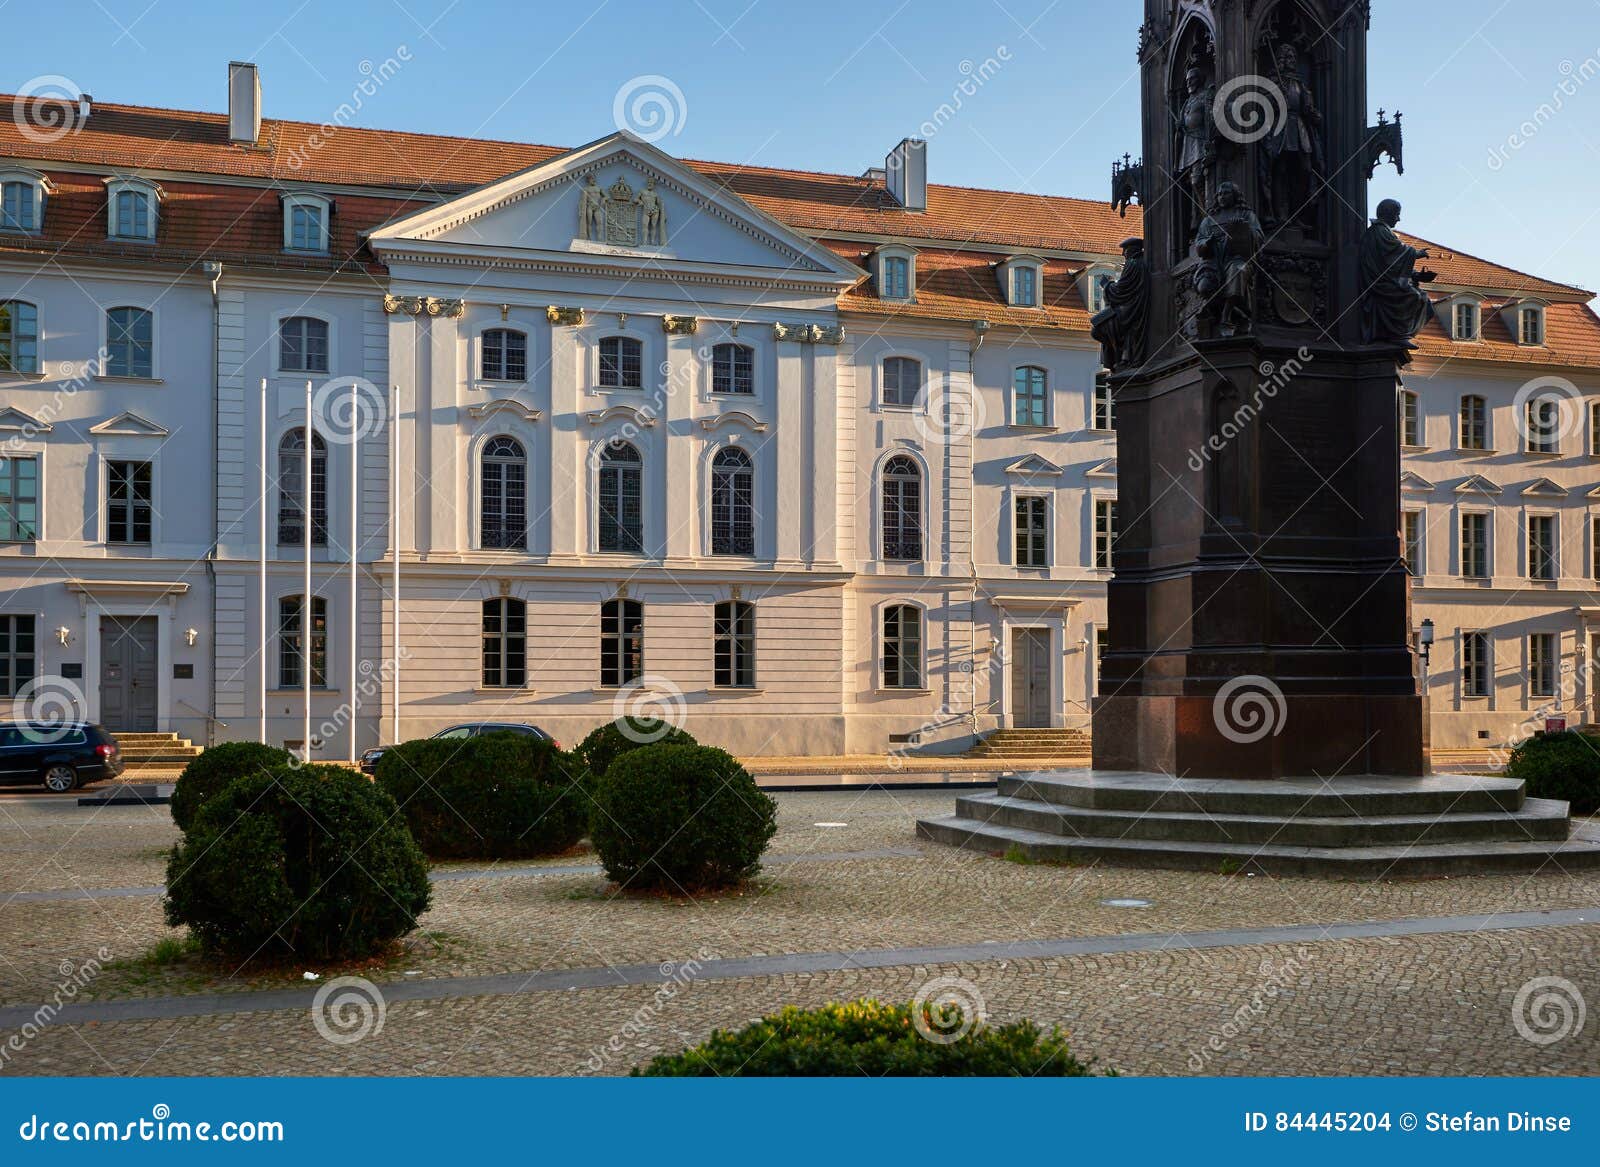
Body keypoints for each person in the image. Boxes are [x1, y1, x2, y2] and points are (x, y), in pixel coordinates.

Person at [1359, 199, 1437, 346]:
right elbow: (1395, 253)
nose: (1399, 219)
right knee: (1413, 296)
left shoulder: (1382, 231)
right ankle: (1398, 334)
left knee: (1424, 299)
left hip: (1383, 278)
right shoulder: (1379, 231)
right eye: (1397, 215)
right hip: (1377, 282)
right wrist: (1415, 253)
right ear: (1388, 213)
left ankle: (1400, 333)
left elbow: (1390, 263)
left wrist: (1415, 275)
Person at [1089, 237, 1150, 371]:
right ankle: (1121, 356)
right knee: (1101, 328)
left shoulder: (1133, 264)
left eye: (1125, 251)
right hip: (1131, 307)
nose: (1123, 254)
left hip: (1129, 310)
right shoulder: (1139, 263)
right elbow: (1124, 289)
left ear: (1132, 251)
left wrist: (1107, 285)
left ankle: (1120, 357)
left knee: (1097, 330)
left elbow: (1120, 291)